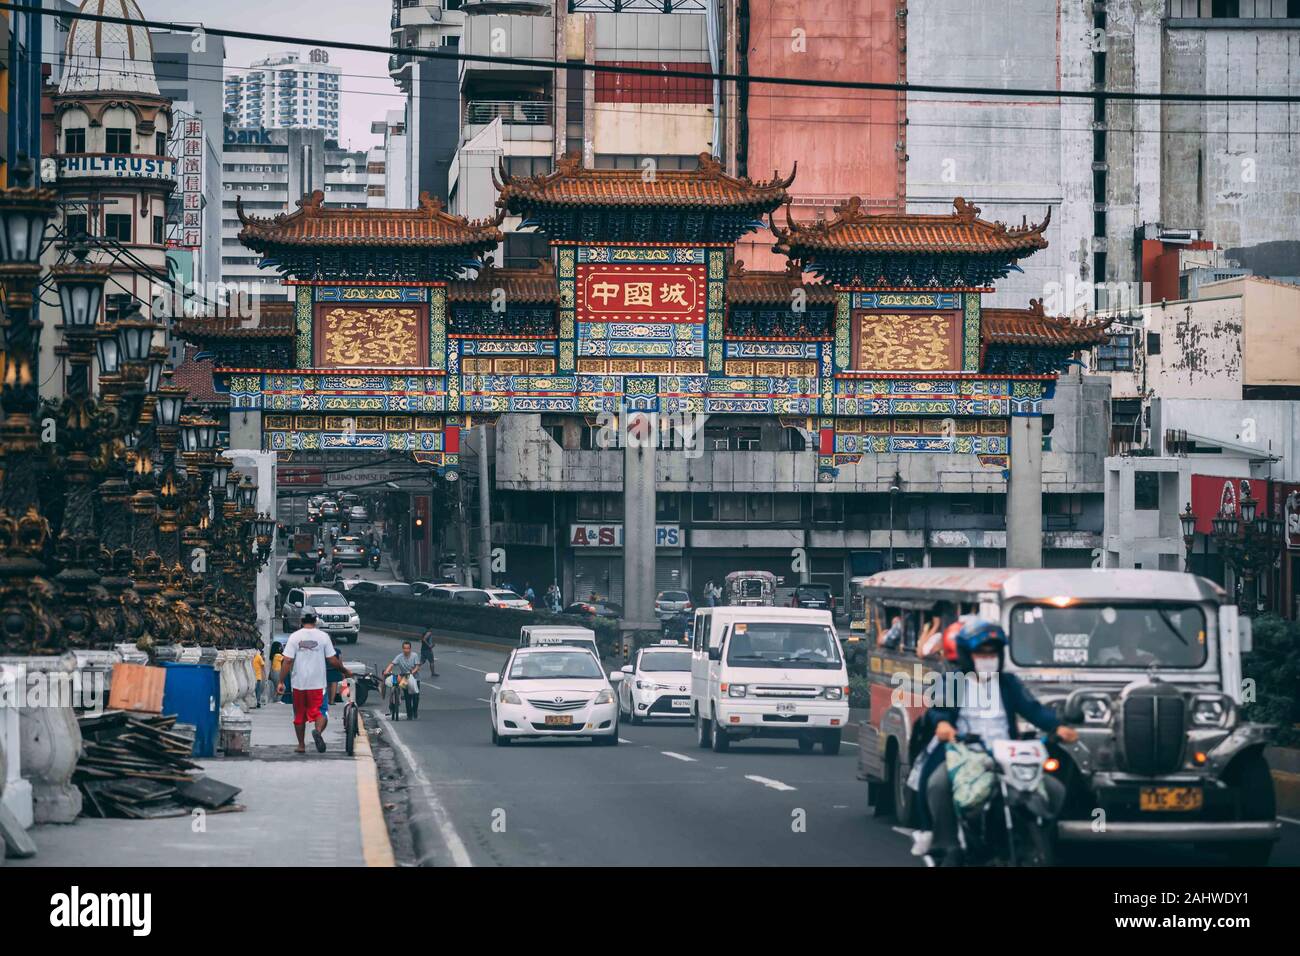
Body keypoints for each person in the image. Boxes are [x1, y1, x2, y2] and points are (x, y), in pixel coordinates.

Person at [909, 619, 1078, 865]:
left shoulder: (1008, 683)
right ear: (968, 655)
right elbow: (940, 710)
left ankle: (1036, 841)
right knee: (937, 785)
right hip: (966, 753)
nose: (988, 658)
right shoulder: (954, 681)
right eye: (981, 653)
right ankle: (947, 845)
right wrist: (944, 725)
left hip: (1009, 755)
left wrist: (1058, 727)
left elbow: (1033, 710)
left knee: (1055, 789)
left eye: (993, 653)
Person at [277, 612, 352, 754]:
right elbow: (332, 659)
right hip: (318, 684)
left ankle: (301, 745)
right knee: (321, 712)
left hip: (298, 684)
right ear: (316, 620)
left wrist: (281, 681)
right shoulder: (323, 637)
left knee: (299, 715)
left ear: (301, 620)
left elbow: (287, 660)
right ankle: (317, 731)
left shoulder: (295, 637)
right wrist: (344, 670)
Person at [383, 641, 423, 719]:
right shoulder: (399, 657)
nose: (406, 650)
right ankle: (409, 714)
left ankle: (415, 711)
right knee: (407, 697)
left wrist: (411, 672)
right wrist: (386, 671)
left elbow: (417, 667)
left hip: (415, 678)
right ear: (402, 649)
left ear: (410, 649)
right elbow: (392, 664)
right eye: (404, 648)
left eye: (408, 648)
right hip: (404, 678)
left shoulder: (414, 655)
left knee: (415, 697)